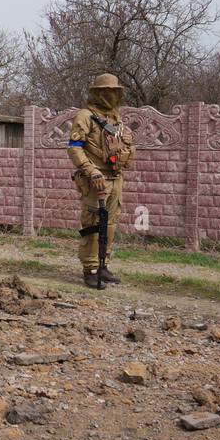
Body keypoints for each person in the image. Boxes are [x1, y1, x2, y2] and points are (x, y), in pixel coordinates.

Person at [67, 73, 135, 287]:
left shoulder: (114, 118)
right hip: (95, 179)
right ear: (97, 93)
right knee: (93, 224)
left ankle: (103, 265)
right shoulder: (85, 116)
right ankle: (90, 268)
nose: (111, 95)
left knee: (110, 224)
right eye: (106, 91)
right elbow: (75, 148)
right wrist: (91, 171)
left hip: (115, 177)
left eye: (114, 92)